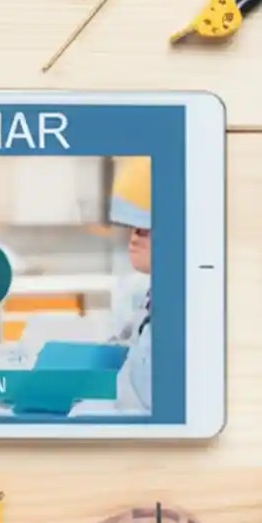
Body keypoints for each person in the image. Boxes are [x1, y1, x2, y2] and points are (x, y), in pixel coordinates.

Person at [107, 156, 153, 413]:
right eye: (132, 227)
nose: (133, 238)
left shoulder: (185, 310)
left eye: (145, 229)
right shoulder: (149, 297)